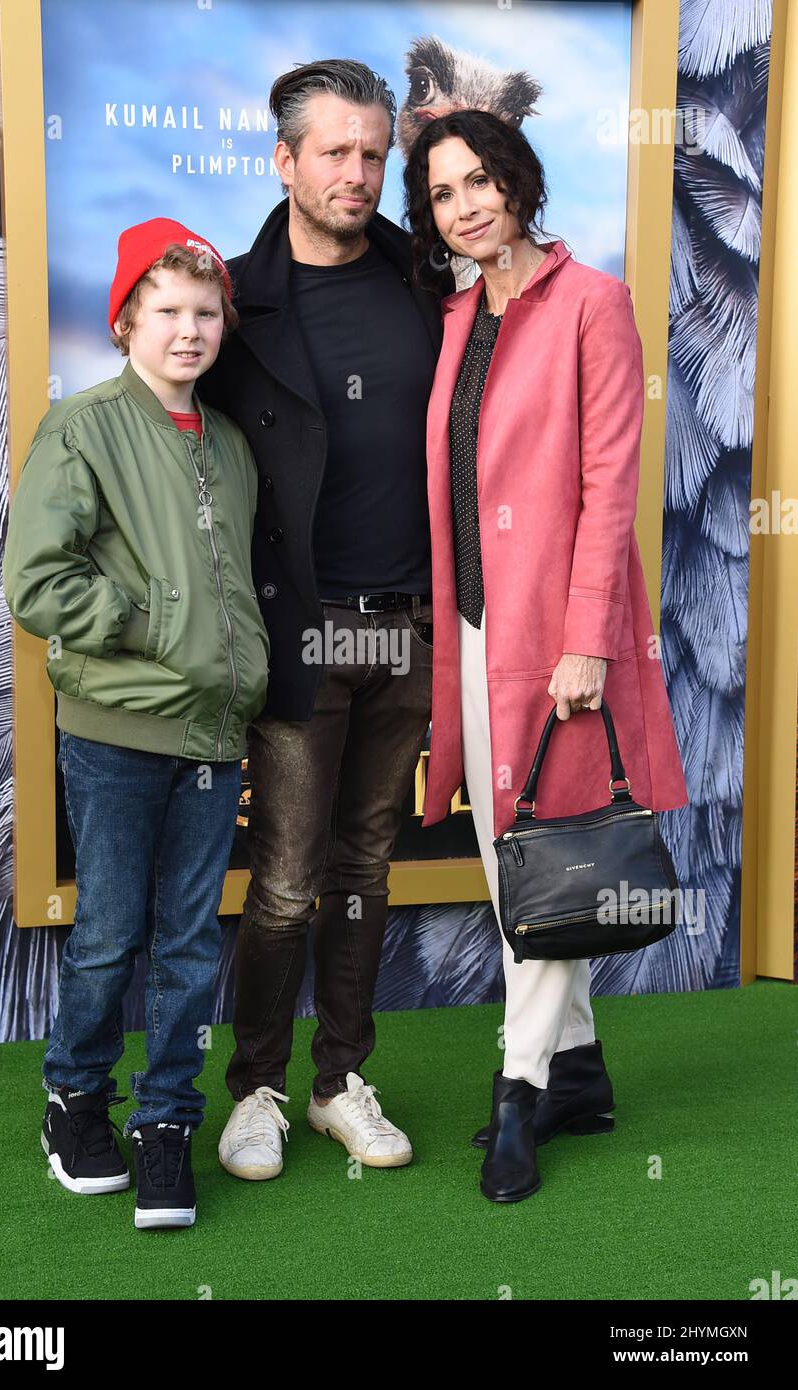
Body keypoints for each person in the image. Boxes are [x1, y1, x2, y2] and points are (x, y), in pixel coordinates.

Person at [403, 111, 689, 1203]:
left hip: (559, 644)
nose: (467, 204)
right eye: (442, 193)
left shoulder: (594, 304)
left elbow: (610, 486)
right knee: (520, 860)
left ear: (519, 182)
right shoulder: (458, 315)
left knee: (545, 855)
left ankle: (520, 1091)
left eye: (481, 180)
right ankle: (581, 1070)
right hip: (476, 635)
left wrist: (584, 643)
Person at [196, 60, 455, 1180]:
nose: (358, 173)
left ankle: (340, 1078)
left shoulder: (430, 278)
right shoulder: (233, 305)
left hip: (409, 627)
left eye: (372, 152)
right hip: (303, 633)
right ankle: (254, 1086)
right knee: (289, 879)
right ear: (285, 161)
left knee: (367, 866)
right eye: (335, 152)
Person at [2, 218, 270, 1229]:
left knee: (193, 944)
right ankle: (76, 1097)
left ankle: (166, 1120)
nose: (189, 330)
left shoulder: (233, 445)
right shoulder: (84, 429)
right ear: (125, 323)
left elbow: (235, 584)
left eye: (206, 312)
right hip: (117, 732)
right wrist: (156, 619)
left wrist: (244, 674)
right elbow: (37, 582)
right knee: (111, 934)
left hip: (213, 736)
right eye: (166, 311)